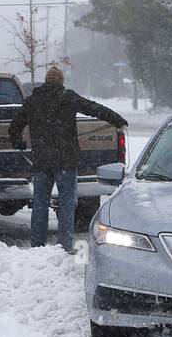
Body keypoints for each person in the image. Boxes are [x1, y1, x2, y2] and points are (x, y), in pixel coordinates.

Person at [8, 66, 127, 252]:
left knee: (40, 203)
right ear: (61, 82)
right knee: (67, 204)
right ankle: (64, 245)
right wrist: (116, 119)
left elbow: (15, 125)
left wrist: (18, 143)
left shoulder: (33, 100)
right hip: (65, 160)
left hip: (41, 161)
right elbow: (93, 108)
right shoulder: (68, 97)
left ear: (46, 81)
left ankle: (37, 245)